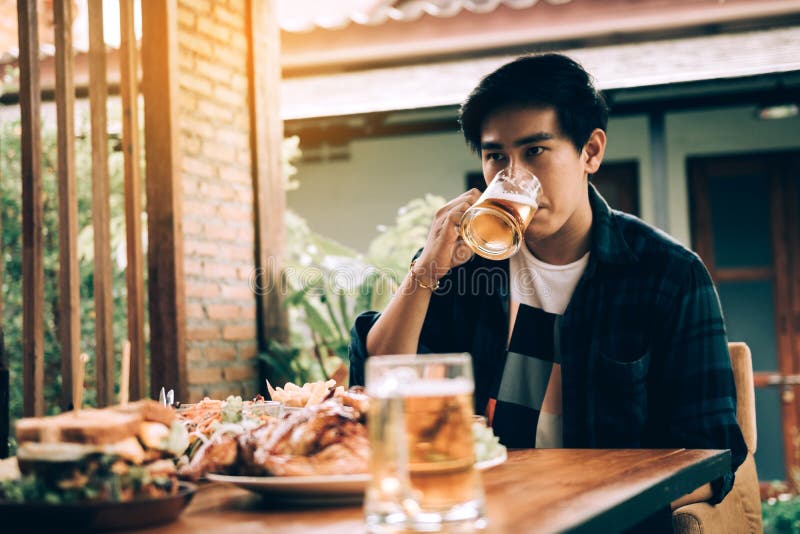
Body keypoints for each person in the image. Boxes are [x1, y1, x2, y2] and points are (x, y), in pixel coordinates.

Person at [348, 53, 746, 523]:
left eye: (535, 151)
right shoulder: (460, 263)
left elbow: (712, 452)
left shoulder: (667, 274)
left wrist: (590, 509)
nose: (512, 176)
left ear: (590, 152)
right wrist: (425, 272)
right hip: (476, 517)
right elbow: (377, 387)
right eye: (497, 155)